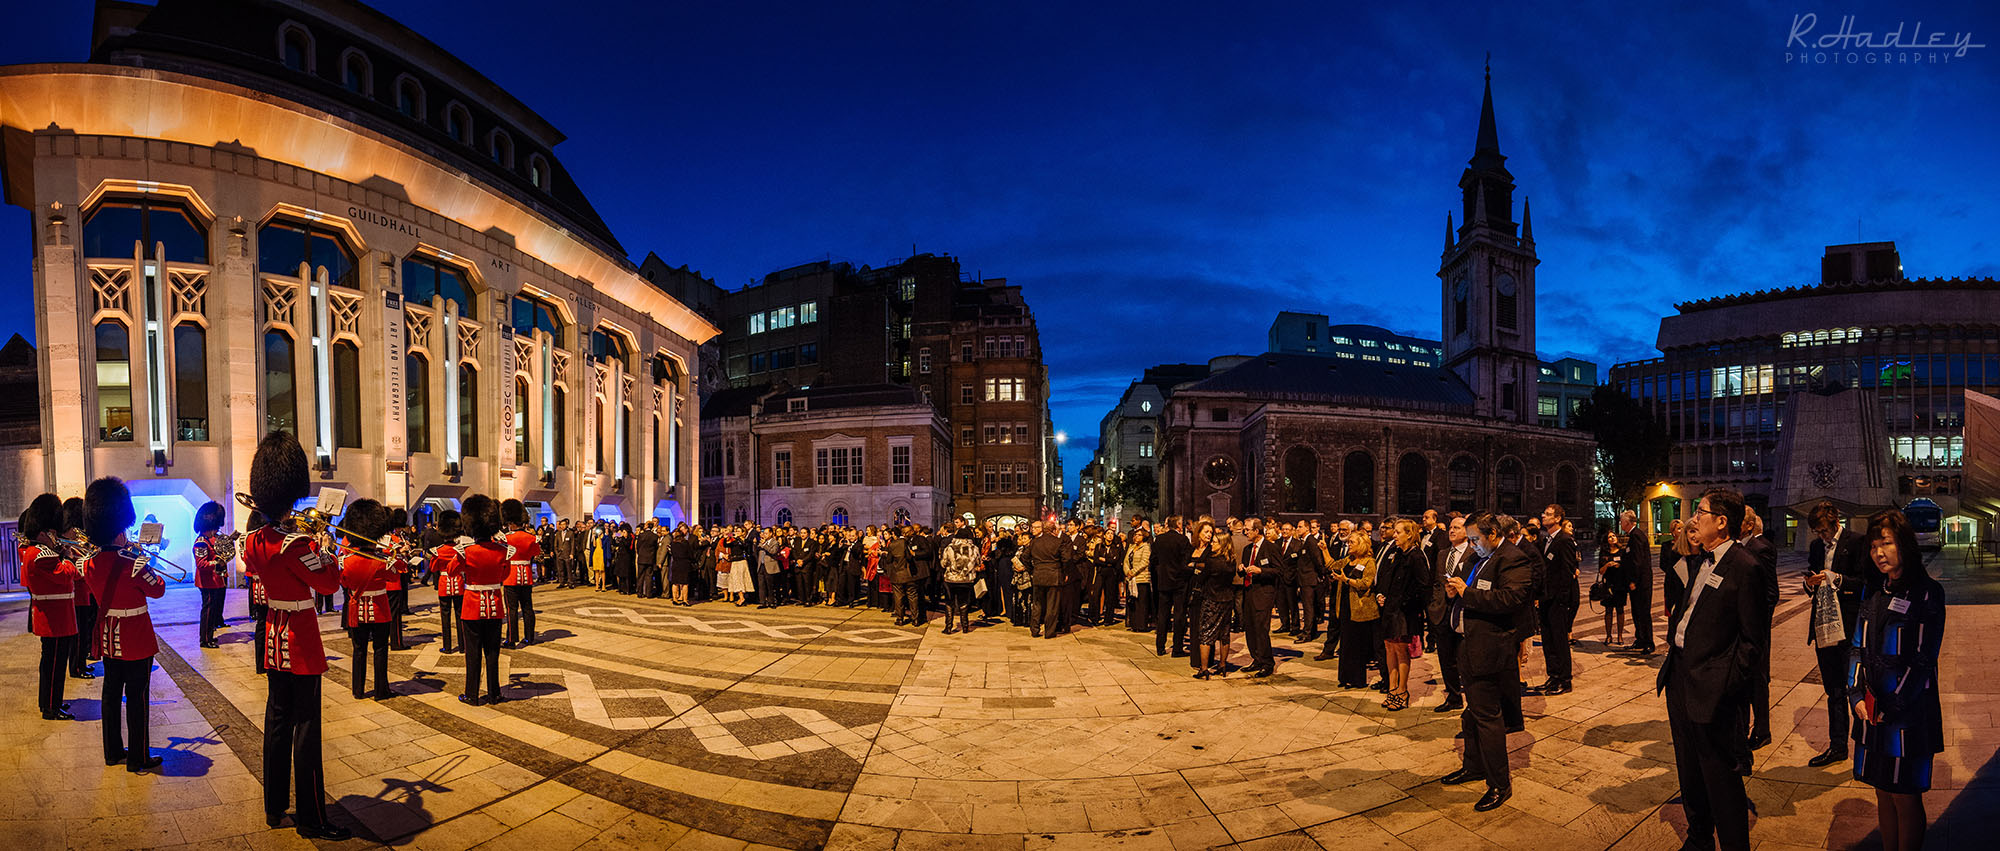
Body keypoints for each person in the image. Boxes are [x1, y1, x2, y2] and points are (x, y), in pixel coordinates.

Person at [241, 432, 351, 839]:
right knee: (306, 726)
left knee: (277, 720)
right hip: (300, 638)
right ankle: (312, 817)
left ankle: (274, 807)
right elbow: (328, 584)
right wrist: (326, 549)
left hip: (274, 634)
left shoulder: (255, 541)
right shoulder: (296, 543)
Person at [1659, 488, 1762, 851]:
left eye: (1701, 512)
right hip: (1680, 675)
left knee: (1719, 773)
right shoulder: (1700, 560)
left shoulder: (1745, 566)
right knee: (1688, 767)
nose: (1694, 518)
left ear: (1721, 522)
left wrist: (1726, 684)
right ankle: (1698, 836)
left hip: (1712, 686)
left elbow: (1752, 642)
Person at [1849, 509, 1945, 851]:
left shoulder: (1927, 593)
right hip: (1871, 711)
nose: (1879, 553)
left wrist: (1891, 705)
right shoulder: (1872, 590)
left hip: (1908, 714)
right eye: (1874, 546)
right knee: (1882, 791)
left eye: (1886, 543)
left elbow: (1923, 660)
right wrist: (1856, 694)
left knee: (1905, 795)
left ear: (1904, 543)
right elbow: (1857, 646)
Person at [1439, 511, 1535, 812]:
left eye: (1475, 539)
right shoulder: (1478, 557)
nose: (1472, 544)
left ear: (1492, 533)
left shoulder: (1513, 559)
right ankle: (1474, 766)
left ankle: (1499, 783)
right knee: (1471, 715)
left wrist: (1467, 593)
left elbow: (1510, 599)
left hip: (1490, 648)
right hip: (1468, 645)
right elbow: (1468, 590)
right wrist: (1454, 592)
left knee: (1487, 718)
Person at [82, 477, 168, 774]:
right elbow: (158, 589)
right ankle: (138, 757)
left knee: (110, 694)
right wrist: (145, 559)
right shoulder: (133, 563)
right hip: (136, 638)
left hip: (109, 638)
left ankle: (113, 752)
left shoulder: (90, 563)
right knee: (137, 697)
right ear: (120, 528)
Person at [1804, 501, 1869, 768]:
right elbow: (1811, 578)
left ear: (1835, 522)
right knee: (1833, 690)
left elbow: (1864, 582)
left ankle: (1865, 746)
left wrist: (1837, 579)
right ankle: (1838, 746)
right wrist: (1810, 584)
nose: (1822, 536)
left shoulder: (1856, 542)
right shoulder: (1816, 547)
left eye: (1824, 530)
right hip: (1824, 626)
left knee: (1855, 689)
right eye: (1817, 532)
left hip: (1849, 625)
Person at [22, 494, 79, 721]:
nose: (54, 535)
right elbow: (66, 575)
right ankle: (51, 708)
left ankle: (50, 702)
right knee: (54, 664)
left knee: (52, 663)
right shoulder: (41, 555)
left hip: (56, 616)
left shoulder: (40, 552)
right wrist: (68, 558)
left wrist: (62, 554)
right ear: (42, 532)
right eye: (51, 532)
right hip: (54, 618)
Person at [336, 499, 396, 701]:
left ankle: (358, 689)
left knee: (359, 650)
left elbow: (343, 582)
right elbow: (395, 577)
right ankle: (381, 690)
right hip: (380, 610)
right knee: (380, 650)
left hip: (357, 611)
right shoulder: (382, 562)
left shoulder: (346, 561)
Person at [456, 495, 510, 705]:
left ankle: (472, 694)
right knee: (493, 652)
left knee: (473, 654)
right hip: (495, 606)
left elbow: (451, 571)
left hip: (472, 607)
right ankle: (494, 693)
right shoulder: (502, 551)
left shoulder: (467, 551)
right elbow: (505, 575)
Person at [1739, 509, 1780, 761]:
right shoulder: (1743, 547)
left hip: (1756, 629)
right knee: (1748, 680)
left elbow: (1771, 593)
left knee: (1758, 680)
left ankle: (1762, 730)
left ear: (1749, 525)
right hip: (1744, 627)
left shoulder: (1760, 548)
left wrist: (1757, 625)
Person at [1374, 520, 1424, 709]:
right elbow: (1387, 578)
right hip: (1390, 609)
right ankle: (1392, 688)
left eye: (1398, 532)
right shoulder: (1397, 553)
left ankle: (1403, 690)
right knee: (1389, 648)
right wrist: (1381, 595)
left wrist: (1403, 602)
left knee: (1401, 650)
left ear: (1409, 534)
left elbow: (1422, 586)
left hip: (1405, 612)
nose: (1394, 535)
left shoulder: (1416, 556)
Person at [1530, 504, 1579, 696]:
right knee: (1548, 639)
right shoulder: (1546, 539)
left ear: (1558, 518)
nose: (1544, 516)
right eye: (1544, 513)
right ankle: (1553, 675)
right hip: (1545, 598)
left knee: (1559, 640)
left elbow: (1567, 571)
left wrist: (1562, 599)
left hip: (1557, 600)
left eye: (1548, 514)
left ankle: (1565, 679)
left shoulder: (1564, 540)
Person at [1428, 515, 1472, 712]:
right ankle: (1453, 698)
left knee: (1465, 660)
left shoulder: (1473, 553)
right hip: (1442, 611)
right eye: (1451, 527)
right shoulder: (1443, 553)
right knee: (1446, 659)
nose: (1452, 531)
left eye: (1457, 527)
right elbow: (1437, 582)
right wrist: (1435, 604)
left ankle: (1472, 701)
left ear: (1467, 531)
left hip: (1463, 611)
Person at [1189, 522, 1239, 679]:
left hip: (1212, 599)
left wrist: (1196, 570)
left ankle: (1204, 668)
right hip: (1227, 599)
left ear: (1222, 544)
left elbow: (1202, 578)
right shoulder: (1231, 561)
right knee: (1224, 633)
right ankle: (1223, 665)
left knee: (1205, 633)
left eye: (1215, 542)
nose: (1212, 544)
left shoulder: (1212, 561)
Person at [1332, 530, 1379, 689]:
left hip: (1359, 608)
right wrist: (1324, 550)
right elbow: (1332, 565)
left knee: (1357, 645)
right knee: (1345, 644)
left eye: (1352, 542)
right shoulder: (1348, 560)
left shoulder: (1369, 562)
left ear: (1361, 545)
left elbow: (1366, 584)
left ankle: (1357, 680)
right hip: (1345, 605)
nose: (1349, 544)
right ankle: (1345, 677)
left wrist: (1346, 580)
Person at [62, 497, 99, 682]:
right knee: (78, 636)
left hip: (84, 594)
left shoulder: (78, 545)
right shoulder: (68, 547)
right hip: (76, 596)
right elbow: (75, 573)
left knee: (83, 633)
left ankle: (81, 664)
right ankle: (77, 667)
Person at [500, 500, 540, 647]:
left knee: (511, 610)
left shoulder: (506, 538)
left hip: (511, 576)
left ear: (511, 522)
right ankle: (529, 637)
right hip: (526, 575)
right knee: (527, 608)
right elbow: (536, 553)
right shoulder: (532, 537)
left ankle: (511, 639)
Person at [192, 500, 231, 648]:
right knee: (207, 611)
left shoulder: (210, 540)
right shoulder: (201, 542)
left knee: (212, 610)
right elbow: (201, 564)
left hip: (215, 581)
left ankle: (209, 637)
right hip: (207, 582)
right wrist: (217, 562)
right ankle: (205, 640)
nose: (217, 530)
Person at [1620, 510, 1656, 654]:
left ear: (1627, 522)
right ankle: (1640, 639)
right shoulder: (1633, 535)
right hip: (1637, 582)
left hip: (1641, 582)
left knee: (1643, 612)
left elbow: (1638, 560)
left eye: (1622, 521)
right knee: (1636, 611)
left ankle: (1648, 642)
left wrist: (1633, 580)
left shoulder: (1636, 536)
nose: (1620, 524)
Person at [432, 510, 464, 654]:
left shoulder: (438, 550)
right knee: (460, 616)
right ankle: (462, 646)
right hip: (458, 583)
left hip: (444, 584)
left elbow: (433, 568)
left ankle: (447, 646)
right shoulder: (460, 550)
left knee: (445, 617)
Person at [939, 527, 981, 634]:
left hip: (951, 579)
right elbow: (978, 562)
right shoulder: (974, 548)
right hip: (966, 580)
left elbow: (944, 563)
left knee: (949, 602)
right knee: (964, 602)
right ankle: (965, 627)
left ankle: (948, 627)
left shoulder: (949, 548)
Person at [1028, 521, 1065, 638]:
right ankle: (1049, 631)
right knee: (1052, 605)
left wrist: (1032, 569)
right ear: (1054, 530)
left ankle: (1034, 629)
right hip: (1053, 575)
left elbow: (1025, 557)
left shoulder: (1035, 542)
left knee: (1037, 604)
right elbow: (1066, 559)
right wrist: (1063, 571)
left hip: (1038, 574)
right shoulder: (1058, 542)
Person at [1599, 529, 1629, 648]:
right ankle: (1608, 635)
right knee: (1608, 610)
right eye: (1610, 537)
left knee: (1620, 610)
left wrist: (1619, 565)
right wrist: (1607, 565)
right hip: (1608, 584)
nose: (1612, 538)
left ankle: (1620, 635)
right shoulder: (1604, 553)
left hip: (1620, 584)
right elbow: (1601, 571)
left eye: (1614, 536)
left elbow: (1627, 567)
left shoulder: (1622, 551)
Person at [1123, 529, 1152, 632]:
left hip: (1141, 578)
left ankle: (1141, 625)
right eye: (1136, 535)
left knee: (1141, 602)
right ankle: (1133, 624)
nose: (1136, 537)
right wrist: (1127, 571)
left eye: (1139, 535)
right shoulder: (1131, 547)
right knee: (1132, 602)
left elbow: (1145, 562)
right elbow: (1126, 561)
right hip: (1131, 579)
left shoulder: (1146, 547)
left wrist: (1133, 572)